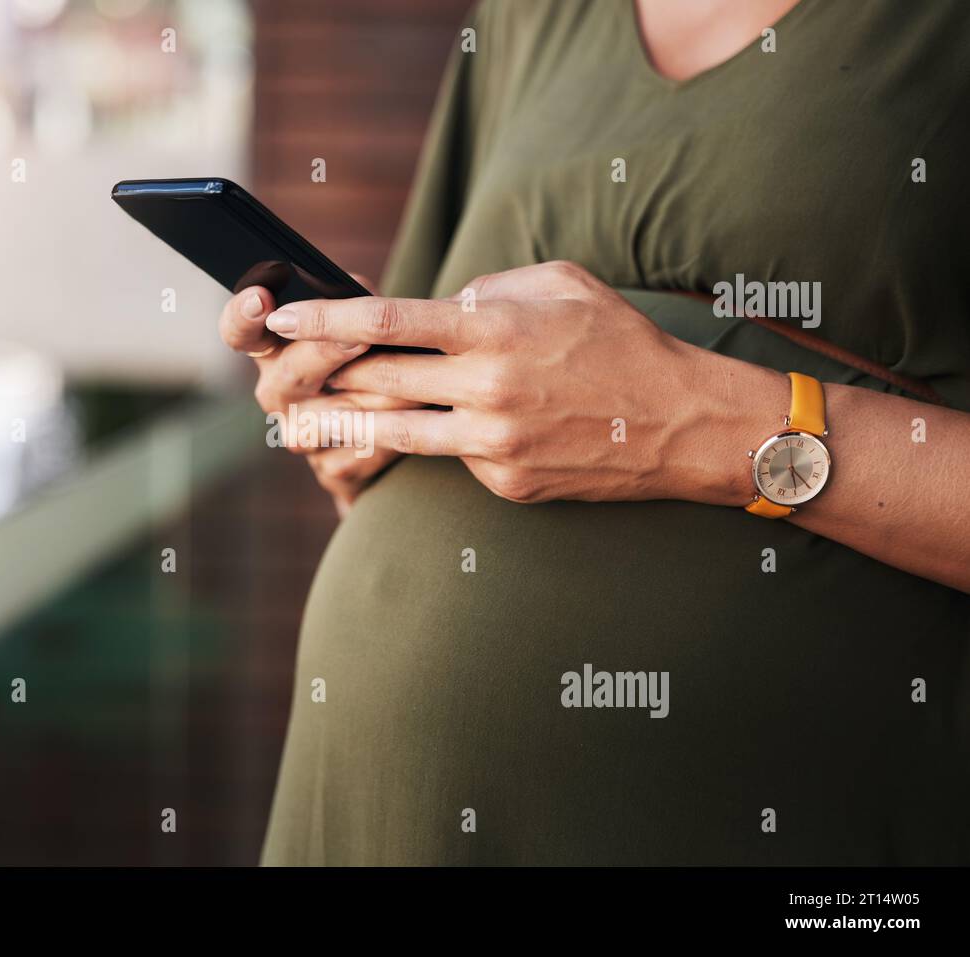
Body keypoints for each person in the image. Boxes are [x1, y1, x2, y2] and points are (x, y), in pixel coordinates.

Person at [220, 0, 970, 864]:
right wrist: (359, 432)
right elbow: (435, 442)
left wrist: (709, 430)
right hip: (375, 806)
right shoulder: (526, 16)